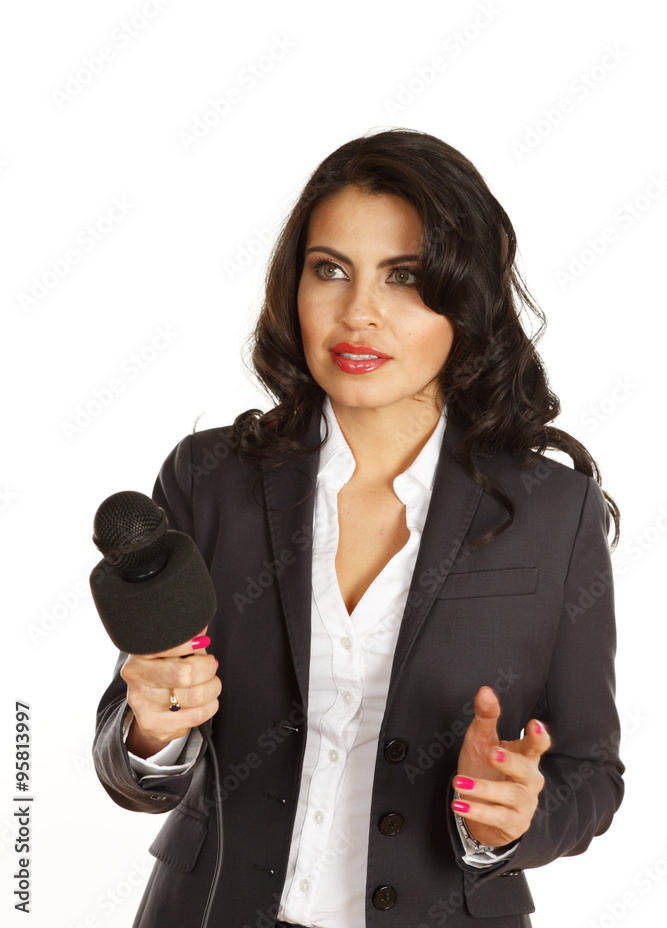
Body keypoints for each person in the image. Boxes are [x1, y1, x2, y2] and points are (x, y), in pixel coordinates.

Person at [93, 129, 624, 928]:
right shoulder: (210, 480)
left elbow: (590, 771)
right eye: (329, 270)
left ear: (465, 297)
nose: (357, 313)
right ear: (292, 287)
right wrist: (150, 730)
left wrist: (507, 819)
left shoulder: (554, 512)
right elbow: (134, 765)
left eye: (404, 276)